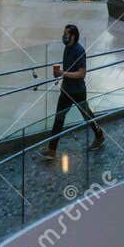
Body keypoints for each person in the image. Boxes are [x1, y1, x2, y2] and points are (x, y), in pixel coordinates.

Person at [41, 24, 105, 159]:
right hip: (66, 90)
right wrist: (61, 76)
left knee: (86, 115)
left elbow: (81, 74)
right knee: (59, 119)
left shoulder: (79, 51)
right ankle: (52, 150)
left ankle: (99, 135)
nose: (63, 36)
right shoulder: (67, 48)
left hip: (77, 91)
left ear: (73, 36)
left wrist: (63, 73)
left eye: (66, 34)